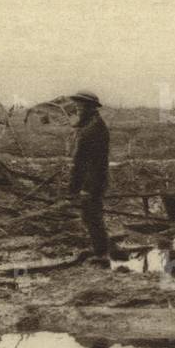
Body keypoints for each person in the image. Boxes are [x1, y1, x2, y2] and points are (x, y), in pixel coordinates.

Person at [67, 91, 110, 264]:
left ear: (90, 108)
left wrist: (78, 188)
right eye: (77, 106)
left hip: (91, 181)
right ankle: (99, 250)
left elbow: (82, 162)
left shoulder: (91, 130)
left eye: (80, 106)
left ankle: (101, 254)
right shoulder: (93, 125)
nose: (78, 109)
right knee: (90, 216)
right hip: (93, 179)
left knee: (92, 216)